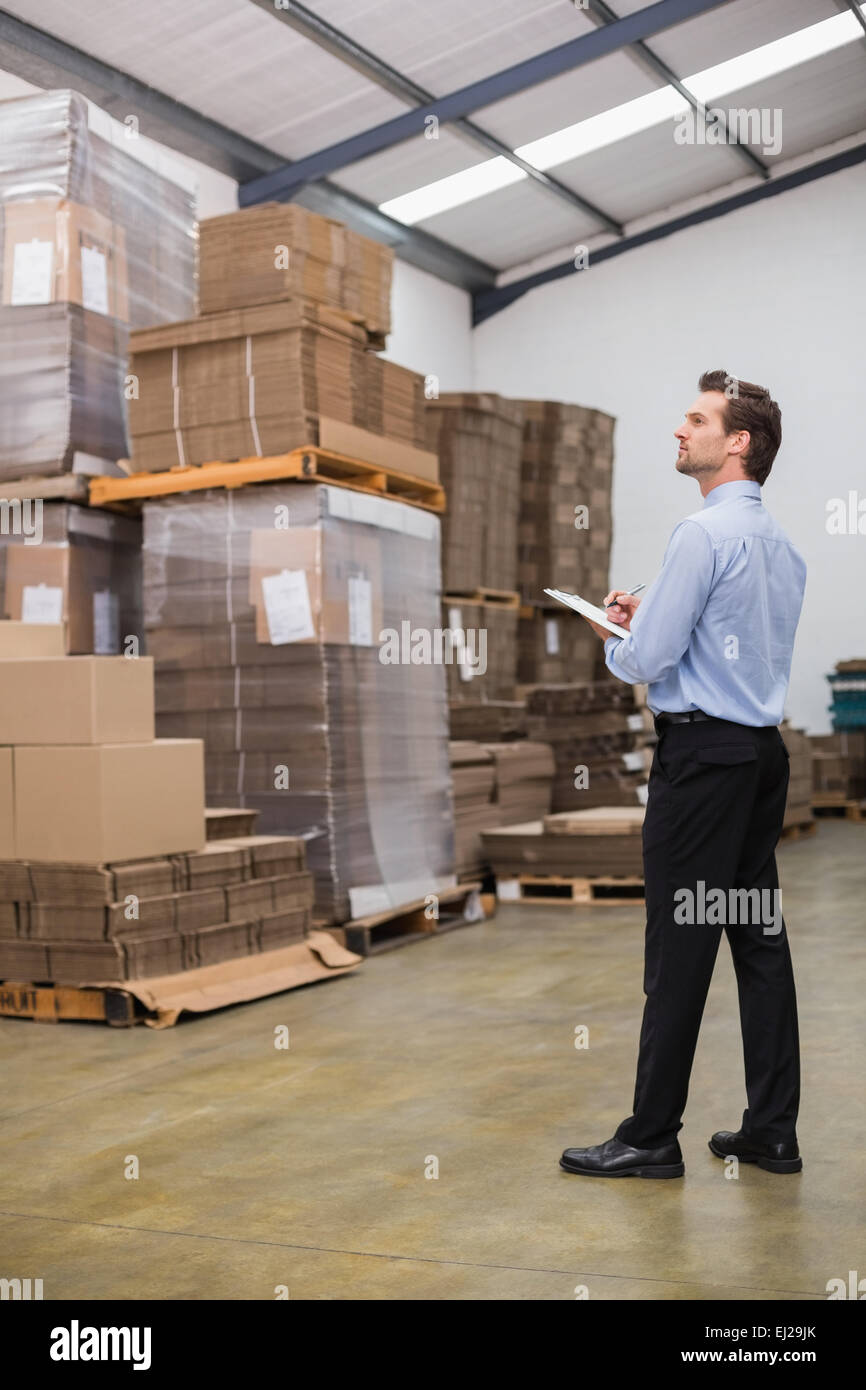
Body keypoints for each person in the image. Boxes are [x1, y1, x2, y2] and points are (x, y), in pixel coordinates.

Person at [561, 370, 806, 1179]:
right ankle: (771, 1130)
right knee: (758, 943)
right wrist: (652, 613)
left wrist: (614, 633)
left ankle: (650, 1136)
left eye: (696, 420)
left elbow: (650, 660)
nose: (680, 430)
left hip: (702, 764)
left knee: (679, 947)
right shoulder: (781, 548)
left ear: (738, 442)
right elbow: (723, 638)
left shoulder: (700, 535)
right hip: (759, 758)